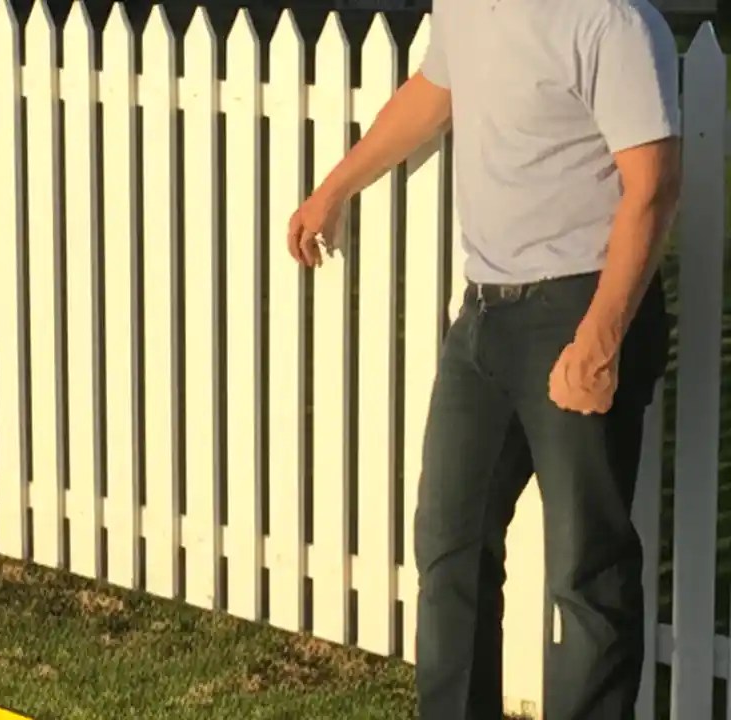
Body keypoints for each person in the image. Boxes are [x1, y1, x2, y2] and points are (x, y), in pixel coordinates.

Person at [286, 0, 682, 717]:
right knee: (450, 548)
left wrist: (599, 339)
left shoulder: (611, 21)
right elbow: (433, 95)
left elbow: (651, 185)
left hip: (578, 308)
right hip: (484, 317)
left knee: (585, 575)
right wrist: (334, 188)